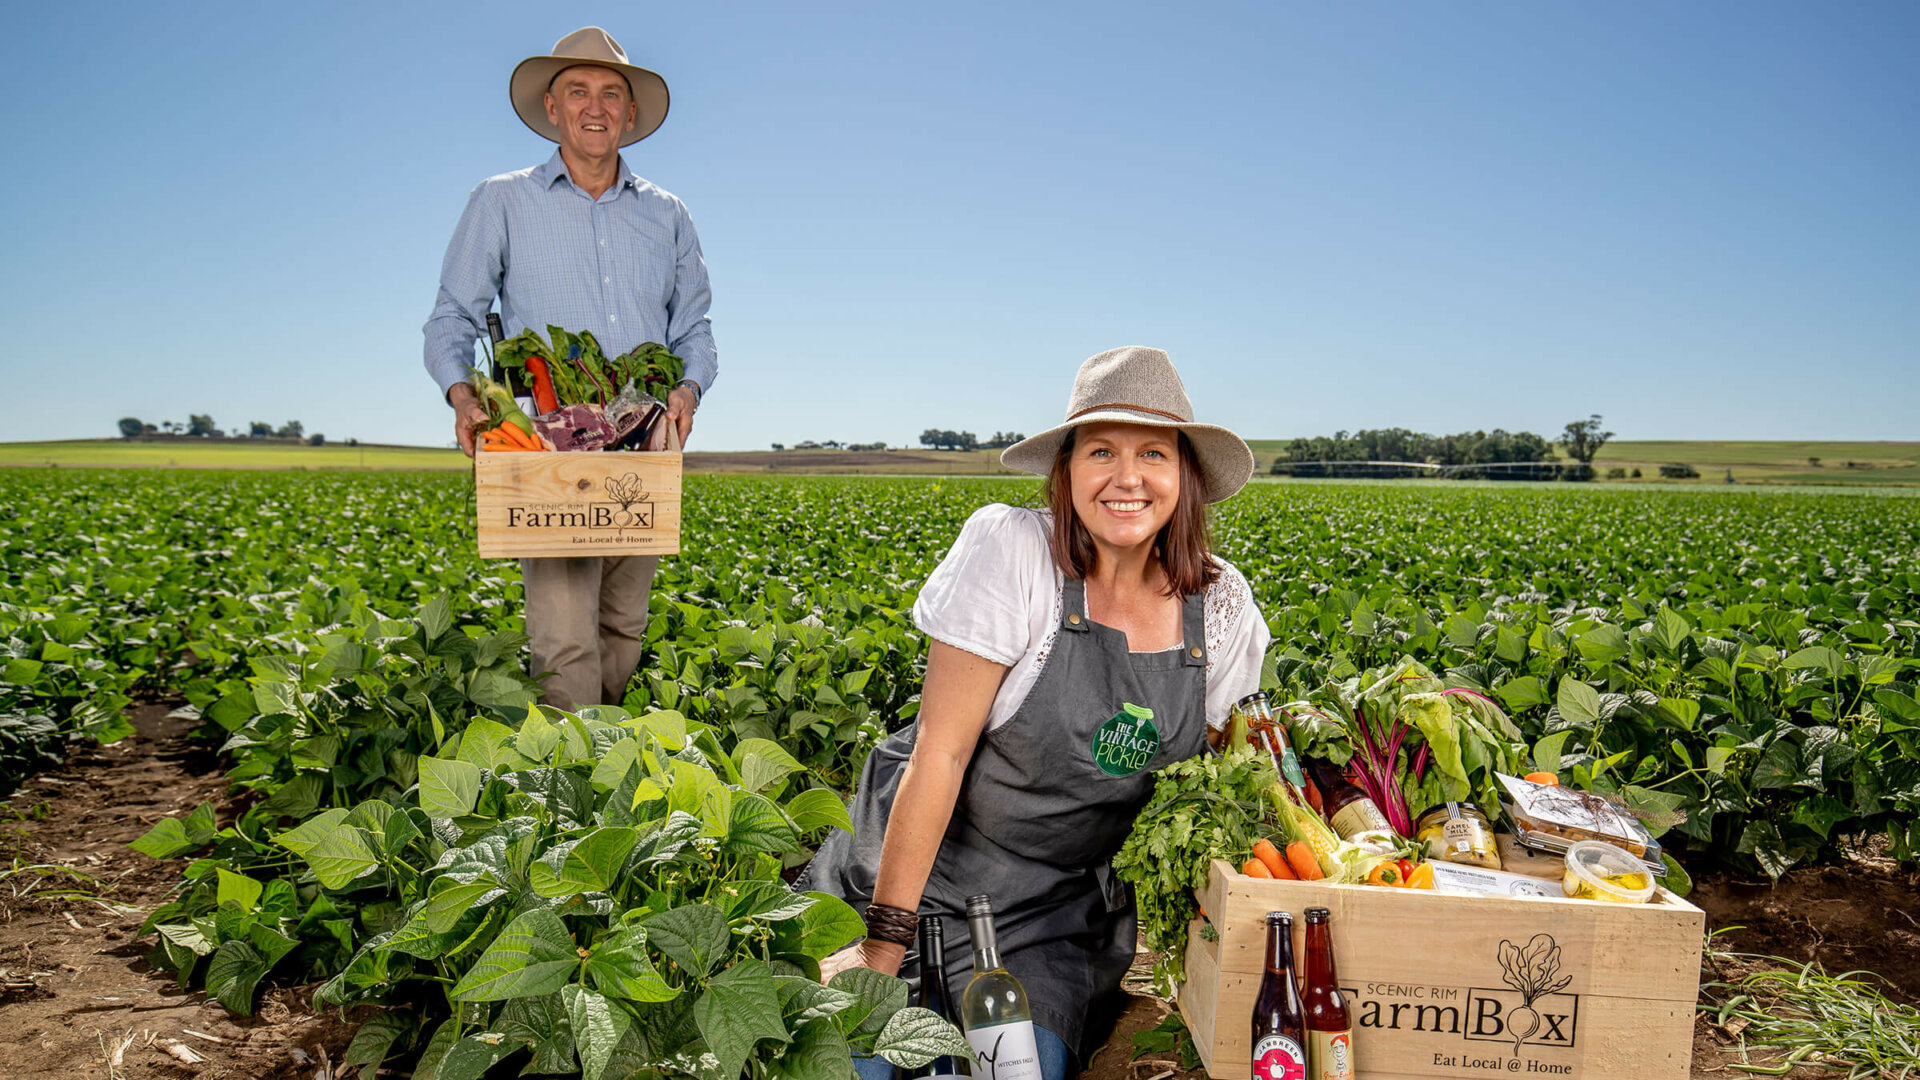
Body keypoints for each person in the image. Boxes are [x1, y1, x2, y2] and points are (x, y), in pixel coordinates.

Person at [806, 346, 1271, 1080]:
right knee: (864, 1063)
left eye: (1153, 452)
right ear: (1066, 470)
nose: (1127, 478)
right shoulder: (1016, 552)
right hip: (924, 871)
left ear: (1183, 474)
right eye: (1100, 451)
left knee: (1019, 1069)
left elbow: (1217, 777)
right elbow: (940, 754)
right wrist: (880, 947)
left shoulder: (1219, 604)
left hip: (1054, 911)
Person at [422, 27, 717, 709]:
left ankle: (599, 753)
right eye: (578, 91)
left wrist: (687, 388)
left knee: (623, 626)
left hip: (644, 448)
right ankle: (575, 790)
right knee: (563, 638)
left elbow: (695, 328)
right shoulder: (503, 200)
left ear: (631, 113)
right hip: (546, 447)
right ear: (552, 108)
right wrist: (465, 397)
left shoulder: (668, 215)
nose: (596, 106)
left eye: (611, 93)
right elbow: (451, 316)